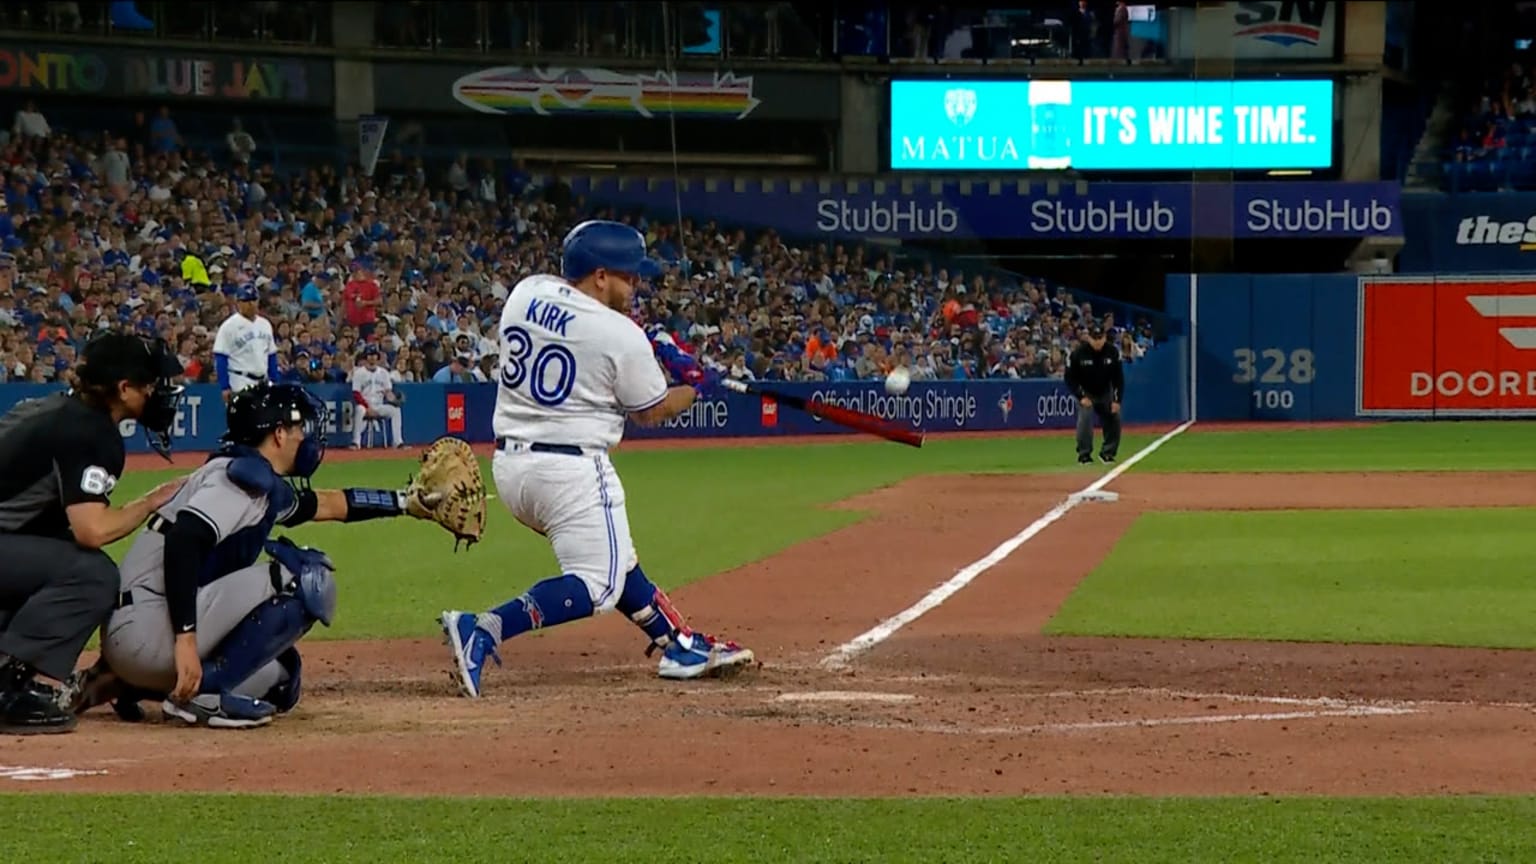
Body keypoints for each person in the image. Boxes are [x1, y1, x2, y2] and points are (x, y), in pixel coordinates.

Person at [438, 220, 753, 698]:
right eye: (629, 276)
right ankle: (483, 628)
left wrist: (653, 344)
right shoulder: (618, 334)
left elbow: (587, 329)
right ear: (601, 276)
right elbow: (651, 411)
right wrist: (695, 385)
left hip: (510, 471)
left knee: (617, 560)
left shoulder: (527, 291)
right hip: (571, 472)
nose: (637, 285)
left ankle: (679, 644)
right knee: (597, 584)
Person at [60, 381, 445, 728]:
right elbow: (184, 540)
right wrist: (186, 641)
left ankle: (126, 682)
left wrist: (407, 503)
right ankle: (201, 697)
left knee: (281, 677)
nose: (307, 437)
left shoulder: (249, 476)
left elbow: (326, 504)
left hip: (142, 627)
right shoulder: (241, 481)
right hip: (149, 626)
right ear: (278, 434)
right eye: (300, 428)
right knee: (306, 578)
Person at [0, 331, 186, 734]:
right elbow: (93, 531)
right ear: (123, 388)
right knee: (91, 574)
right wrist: (150, 502)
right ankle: (5, 686)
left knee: (53, 557)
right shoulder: (90, 433)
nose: (159, 393)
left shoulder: (48, 409)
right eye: (151, 384)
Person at [1064, 322, 1124, 464]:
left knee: (1114, 417)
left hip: (1105, 391)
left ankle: (1108, 453)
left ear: (1104, 337)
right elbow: (1070, 378)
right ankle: (1084, 454)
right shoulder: (1078, 354)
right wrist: (1081, 396)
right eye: (1094, 338)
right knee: (1085, 418)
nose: (1097, 342)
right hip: (1086, 391)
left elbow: (1118, 378)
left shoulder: (1113, 352)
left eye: (1100, 338)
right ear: (1088, 338)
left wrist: (1117, 400)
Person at [213, 283, 278, 403]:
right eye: (247, 300)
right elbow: (221, 357)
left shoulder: (265, 324)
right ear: (238, 303)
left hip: (262, 382)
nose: (251, 304)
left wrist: (274, 380)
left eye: (254, 300)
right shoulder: (229, 326)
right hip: (240, 381)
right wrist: (225, 387)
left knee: (263, 420)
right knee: (243, 420)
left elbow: (271, 355)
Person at [350, 345, 405, 449]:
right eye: (370, 355)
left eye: (374, 355)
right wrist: (367, 407)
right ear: (366, 357)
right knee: (359, 410)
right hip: (364, 405)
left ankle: (398, 442)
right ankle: (356, 442)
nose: (372, 357)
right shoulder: (359, 373)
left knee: (395, 410)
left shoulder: (384, 373)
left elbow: (387, 392)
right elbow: (356, 394)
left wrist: (393, 399)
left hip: (379, 406)